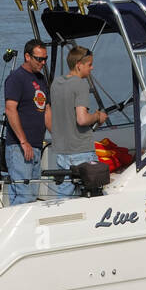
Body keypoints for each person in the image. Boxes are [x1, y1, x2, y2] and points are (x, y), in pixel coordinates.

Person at [49, 46, 108, 197]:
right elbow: (82, 119)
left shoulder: (56, 83)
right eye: (89, 64)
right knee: (92, 194)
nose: (92, 68)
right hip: (81, 151)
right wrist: (97, 116)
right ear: (79, 65)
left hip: (62, 152)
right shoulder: (81, 84)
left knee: (65, 196)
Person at [4, 39, 52, 205]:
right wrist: (23, 142)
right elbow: (10, 109)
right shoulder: (16, 78)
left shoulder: (41, 79)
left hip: (36, 145)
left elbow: (46, 110)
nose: (43, 62)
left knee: (32, 194)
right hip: (19, 147)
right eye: (39, 59)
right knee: (23, 195)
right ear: (27, 56)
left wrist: (58, 136)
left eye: (45, 59)